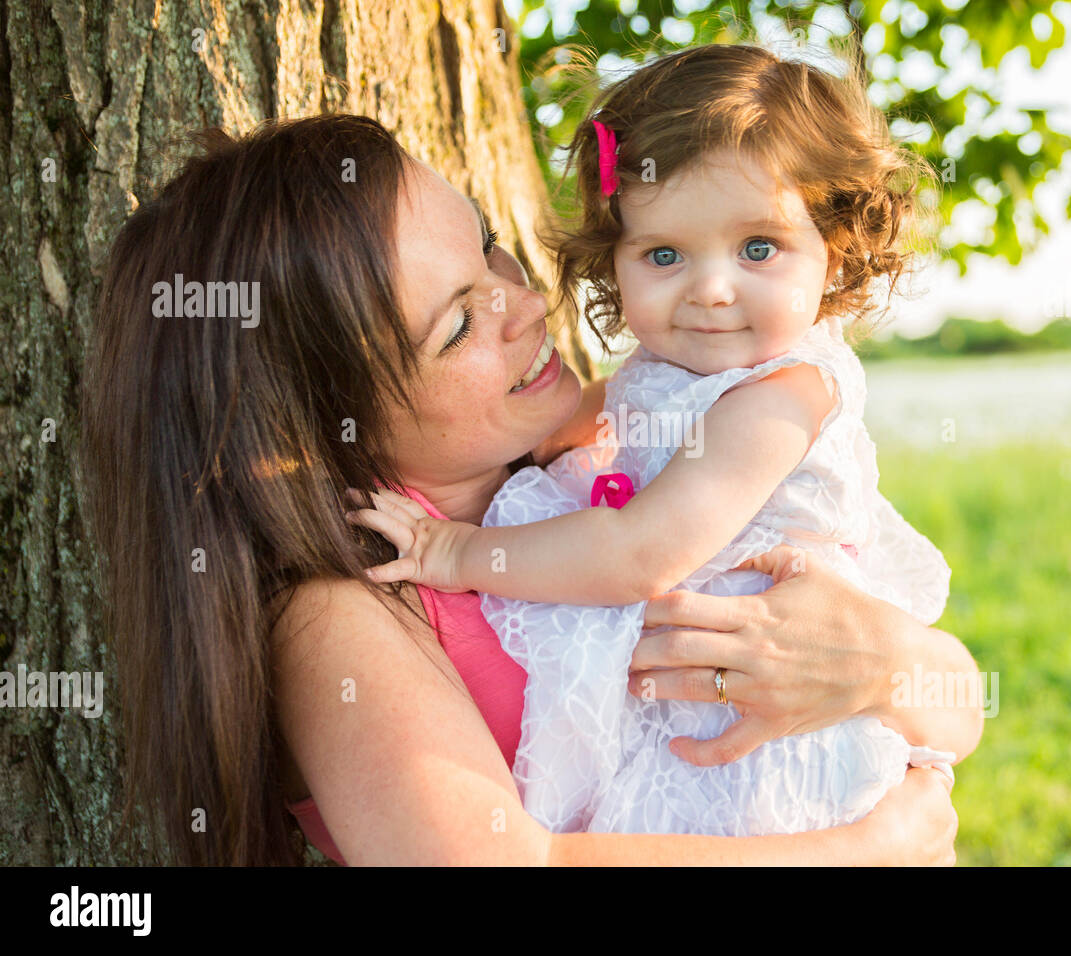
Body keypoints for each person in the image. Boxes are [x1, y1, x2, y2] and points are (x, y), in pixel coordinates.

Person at [81, 111, 979, 865]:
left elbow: (955, 702)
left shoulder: (613, 447)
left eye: (490, 249)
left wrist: (883, 663)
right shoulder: (346, 617)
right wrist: (866, 848)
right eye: (461, 323)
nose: (525, 304)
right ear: (318, 419)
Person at [349, 44, 960, 836]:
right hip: (699, 689)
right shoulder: (666, 374)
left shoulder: (778, 399)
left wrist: (456, 553)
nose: (710, 289)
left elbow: (643, 555)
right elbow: (591, 426)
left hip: (758, 730)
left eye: (759, 248)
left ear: (831, 251)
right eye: (665, 255)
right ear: (616, 264)